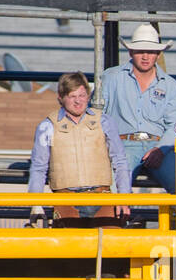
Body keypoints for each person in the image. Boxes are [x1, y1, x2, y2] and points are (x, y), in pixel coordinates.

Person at [28, 72, 131, 224]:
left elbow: (120, 161)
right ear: (60, 98)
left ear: (88, 96)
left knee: (110, 245)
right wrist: (35, 204)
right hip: (65, 199)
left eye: (82, 95)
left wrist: (124, 198)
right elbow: (38, 168)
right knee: (69, 245)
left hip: (101, 196)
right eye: (72, 96)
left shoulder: (104, 121)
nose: (78, 101)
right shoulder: (47, 126)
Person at [93, 24, 176, 192]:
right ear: (131, 52)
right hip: (121, 146)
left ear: (158, 54)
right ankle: (119, 218)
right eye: (140, 51)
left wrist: (160, 149)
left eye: (150, 51)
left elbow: (175, 125)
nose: (145, 56)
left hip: (159, 147)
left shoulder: (171, 86)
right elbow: (97, 116)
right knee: (112, 190)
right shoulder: (111, 77)